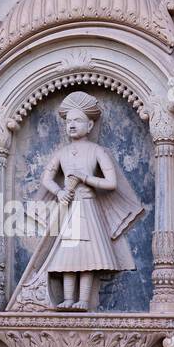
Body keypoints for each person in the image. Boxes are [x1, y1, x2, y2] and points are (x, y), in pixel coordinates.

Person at [32, 91, 143, 310]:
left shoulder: (96, 151)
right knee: (66, 253)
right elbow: (46, 178)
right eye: (69, 121)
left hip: (89, 207)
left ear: (90, 125)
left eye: (78, 120)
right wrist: (59, 191)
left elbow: (111, 183)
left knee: (87, 256)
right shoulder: (62, 153)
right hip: (70, 209)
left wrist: (85, 178)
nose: (72, 125)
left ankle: (82, 299)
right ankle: (67, 299)